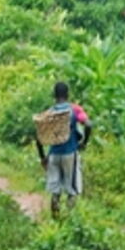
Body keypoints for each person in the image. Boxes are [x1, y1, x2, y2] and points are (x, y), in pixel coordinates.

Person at [35, 81, 91, 219]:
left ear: (54, 95)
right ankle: (70, 220)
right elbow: (88, 124)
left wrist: (43, 157)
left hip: (53, 155)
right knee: (72, 190)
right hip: (70, 153)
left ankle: (55, 220)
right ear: (68, 94)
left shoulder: (49, 113)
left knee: (55, 191)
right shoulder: (75, 109)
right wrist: (84, 142)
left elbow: (38, 138)